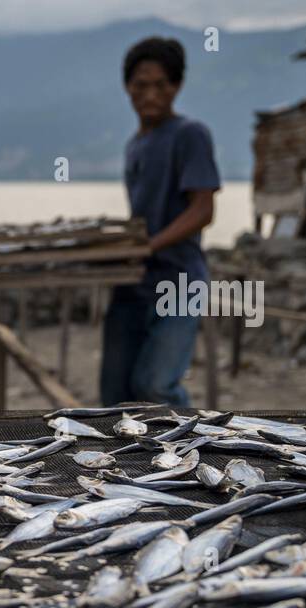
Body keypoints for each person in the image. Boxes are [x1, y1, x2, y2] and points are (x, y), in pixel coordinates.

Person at [100, 37, 220, 406]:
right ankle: (134, 462)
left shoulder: (189, 135)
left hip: (180, 283)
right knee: (115, 396)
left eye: (161, 84)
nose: (150, 94)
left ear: (177, 86)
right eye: (141, 85)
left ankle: (191, 448)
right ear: (127, 88)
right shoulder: (135, 144)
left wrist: (150, 245)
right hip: (135, 283)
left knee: (156, 386)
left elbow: (203, 210)